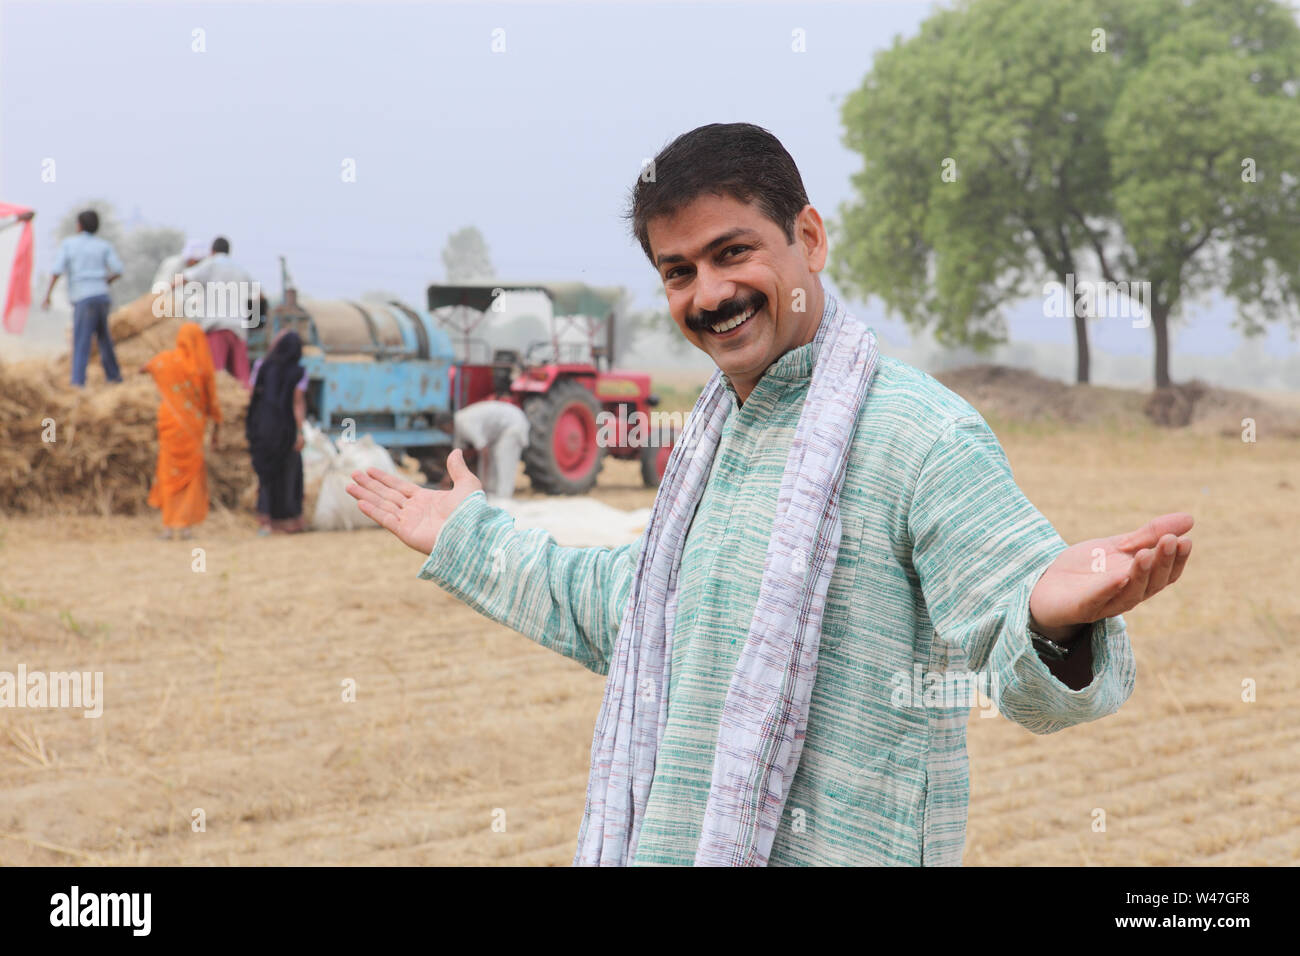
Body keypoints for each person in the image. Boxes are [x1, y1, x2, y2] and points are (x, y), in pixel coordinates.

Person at [347, 123, 1195, 867]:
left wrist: (1053, 619)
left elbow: (1012, 617)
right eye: (678, 272)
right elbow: (632, 609)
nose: (708, 294)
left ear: (810, 238)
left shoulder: (918, 432)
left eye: (733, 252)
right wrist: (472, 537)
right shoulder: (710, 441)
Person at [140, 322, 222, 540]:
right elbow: (212, 399)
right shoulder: (203, 366)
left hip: (170, 424)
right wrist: (217, 424)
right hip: (192, 427)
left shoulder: (167, 360)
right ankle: (185, 527)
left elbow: (145, 367)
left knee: (169, 473)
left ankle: (168, 527)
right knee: (191, 477)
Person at [43, 209, 125, 387]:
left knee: (81, 340)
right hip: (102, 296)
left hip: (83, 298)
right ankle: (115, 377)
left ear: (79, 226)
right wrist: (105, 281)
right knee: (104, 339)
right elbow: (118, 270)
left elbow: (57, 271)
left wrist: (48, 295)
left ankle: (78, 383)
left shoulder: (69, 244)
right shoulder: (103, 245)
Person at [246, 329, 306, 534]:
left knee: (265, 474)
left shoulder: (262, 366)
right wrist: (299, 433)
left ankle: (264, 520)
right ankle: (288, 521)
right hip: (284, 429)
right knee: (288, 471)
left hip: (261, 426)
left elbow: (252, 393)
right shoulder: (298, 371)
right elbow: (297, 403)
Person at [182, 236, 257, 387]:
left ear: (212, 251)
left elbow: (186, 277)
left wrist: (162, 292)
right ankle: (246, 404)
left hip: (217, 327)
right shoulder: (240, 269)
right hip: (238, 329)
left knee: (216, 373)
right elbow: (258, 296)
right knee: (243, 377)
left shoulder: (211, 263)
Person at [443, 401, 530, 500]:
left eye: (443, 429)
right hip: (499, 432)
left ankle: (504, 497)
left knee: (504, 459)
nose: (444, 433)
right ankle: (491, 493)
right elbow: (457, 456)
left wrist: (483, 480)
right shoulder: (458, 427)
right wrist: (448, 477)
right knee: (494, 458)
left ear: (448, 424)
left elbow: (484, 451)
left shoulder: (465, 424)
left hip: (513, 423)